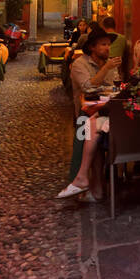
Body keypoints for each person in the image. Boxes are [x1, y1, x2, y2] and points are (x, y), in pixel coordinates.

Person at [57, 29, 122, 201]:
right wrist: (106, 69)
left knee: (98, 132)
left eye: (109, 44)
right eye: (103, 44)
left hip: (105, 111)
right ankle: (96, 186)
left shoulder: (109, 64)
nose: (108, 48)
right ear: (92, 47)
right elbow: (88, 87)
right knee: (90, 131)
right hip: (85, 114)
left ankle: (95, 185)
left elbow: (114, 88)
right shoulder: (80, 64)